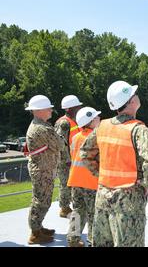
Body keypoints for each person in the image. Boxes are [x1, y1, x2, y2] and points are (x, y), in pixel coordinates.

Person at [80, 81, 148, 247]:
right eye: (135, 94)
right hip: (128, 201)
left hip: (103, 196)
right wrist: (145, 185)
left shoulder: (102, 126)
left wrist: (101, 175)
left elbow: (85, 154)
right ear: (132, 102)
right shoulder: (139, 130)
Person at [24, 95, 65, 245]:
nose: (51, 110)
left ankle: (38, 228)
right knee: (42, 201)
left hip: (43, 169)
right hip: (43, 171)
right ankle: (35, 233)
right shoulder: (43, 128)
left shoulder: (39, 125)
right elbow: (60, 144)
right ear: (39, 110)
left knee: (41, 200)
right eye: (48, 108)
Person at [66, 107, 101, 247]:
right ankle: (93, 242)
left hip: (75, 181)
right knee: (94, 215)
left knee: (77, 212)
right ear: (90, 121)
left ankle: (72, 240)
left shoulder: (76, 137)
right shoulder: (95, 138)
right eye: (96, 117)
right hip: (91, 183)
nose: (99, 118)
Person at [55, 95, 83, 218]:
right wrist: (66, 160)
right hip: (65, 161)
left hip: (73, 159)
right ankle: (64, 208)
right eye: (77, 106)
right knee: (65, 184)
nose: (79, 108)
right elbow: (60, 143)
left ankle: (69, 205)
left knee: (72, 184)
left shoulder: (73, 121)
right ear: (69, 108)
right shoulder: (64, 123)